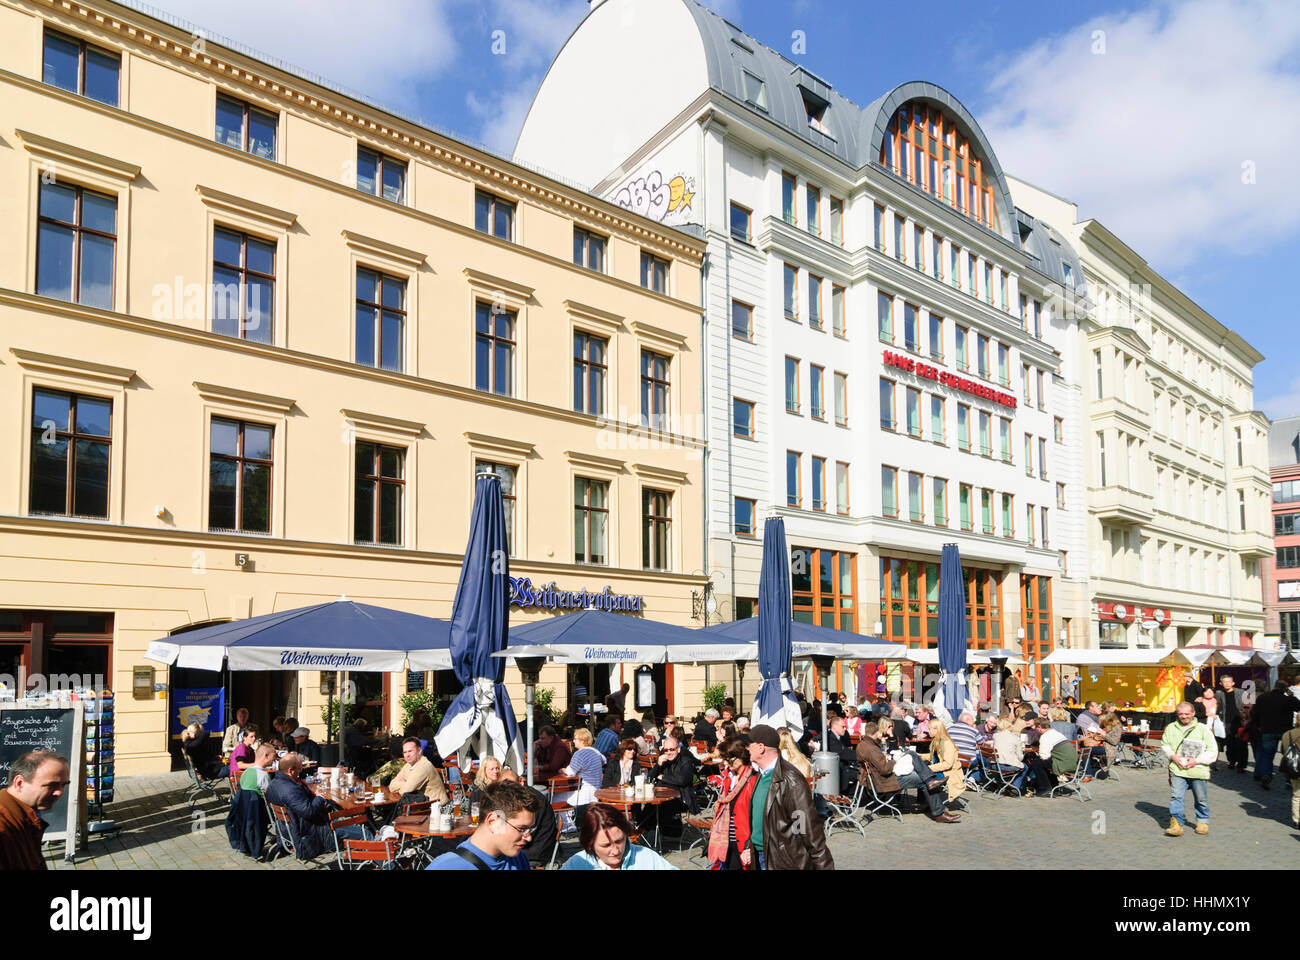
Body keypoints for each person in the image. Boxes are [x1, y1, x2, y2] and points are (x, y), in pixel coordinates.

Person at [745, 725, 834, 869]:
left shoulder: (790, 779)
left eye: (749, 745)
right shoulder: (762, 775)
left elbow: (809, 829)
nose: (746, 749)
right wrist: (749, 846)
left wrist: (824, 866)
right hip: (760, 855)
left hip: (781, 860)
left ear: (761, 747)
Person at [265, 754, 365, 859]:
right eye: (299, 769)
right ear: (290, 771)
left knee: (345, 818)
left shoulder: (273, 784)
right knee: (364, 832)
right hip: (311, 833)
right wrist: (320, 798)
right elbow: (309, 811)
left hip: (289, 832)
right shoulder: (290, 790)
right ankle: (379, 860)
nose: (301, 771)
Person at [856, 720, 958, 823]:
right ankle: (939, 813)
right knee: (923, 780)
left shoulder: (863, 745)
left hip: (878, 779)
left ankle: (929, 799)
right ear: (877, 733)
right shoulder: (871, 748)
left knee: (913, 757)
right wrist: (893, 761)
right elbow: (885, 769)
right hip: (884, 781)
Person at [426, 780, 541, 870]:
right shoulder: (448, 866)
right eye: (521, 829)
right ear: (493, 822)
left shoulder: (518, 858)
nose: (529, 837)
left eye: (530, 830)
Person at [0, 750, 70, 870]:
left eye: (63, 785)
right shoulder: (5, 824)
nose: (59, 792)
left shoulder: (24, 817)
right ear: (20, 783)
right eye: (51, 785)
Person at [560, 803, 676, 870]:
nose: (616, 851)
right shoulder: (575, 865)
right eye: (606, 845)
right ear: (590, 844)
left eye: (619, 840)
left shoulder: (647, 858)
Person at [1161, 701, 1217, 837]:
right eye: (1180, 714)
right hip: (1177, 769)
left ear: (1193, 713)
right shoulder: (1170, 728)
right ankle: (1176, 824)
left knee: (1201, 798)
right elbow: (1165, 744)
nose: (1184, 716)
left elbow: (1212, 750)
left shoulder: (1203, 729)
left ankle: (1202, 821)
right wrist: (1173, 757)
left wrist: (1196, 761)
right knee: (1176, 797)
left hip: (1197, 770)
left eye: (1187, 713)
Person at [708, 738, 757, 870]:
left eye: (728, 758)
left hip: (742, 839)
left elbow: (755, 815)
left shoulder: (753, 779)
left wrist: (750, 845)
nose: (725, 762)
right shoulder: (728, 778)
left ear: (740, 757)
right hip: (726, 839)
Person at [647, 735, 699, 836]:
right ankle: (645, 836)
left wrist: (663, 777)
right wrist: (658, 765)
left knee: (659, 809)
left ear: (678, 749)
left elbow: (682, 780)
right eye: (666, 750)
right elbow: (649, 778)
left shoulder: (686, 761)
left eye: (672, 749)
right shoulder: (663, 760)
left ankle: (650, 840)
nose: (669, 752)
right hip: (662, 796)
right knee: (649, 807)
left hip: (682, 798)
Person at [1252, 681, 1300, 789]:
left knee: (1267, 755)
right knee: (1288, 754)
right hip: (1285, 731)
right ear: (1286, 689)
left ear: (1274, 686)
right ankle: (1289, 778)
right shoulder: (1288, 699)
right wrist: (1291, 696)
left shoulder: (1263, 698)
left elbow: (1254, 713)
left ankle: (1266, 775)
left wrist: (1258, 725)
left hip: (1267, 729)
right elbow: (1298, 707)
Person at [560, 727, 606, 823]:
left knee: (555, 797)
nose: (573, 741)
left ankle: (566, 825)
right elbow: (604, 760)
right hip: (596, 790)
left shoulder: (580, 754)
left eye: (575, 739)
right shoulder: (596, 752)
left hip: (583, 791)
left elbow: (570, 772)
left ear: (582, 740)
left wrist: (561, 769)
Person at [389, 736, 448, 803]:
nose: (407, 755)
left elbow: (405, 790)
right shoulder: (408, 765)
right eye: (405, 752)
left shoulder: (424, 765)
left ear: (419, 751)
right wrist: (407, 783)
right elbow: (391, 786)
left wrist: (404, 783)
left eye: (410, 751)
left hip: (436, 807)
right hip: (422, 805)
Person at [926, 719, 967, 807]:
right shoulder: (936, 741)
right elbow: (932, 756)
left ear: (936, 729)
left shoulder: (947, 743)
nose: (928, 731)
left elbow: (947, 764)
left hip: (948, 773)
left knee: (923, 776)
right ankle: (928, 803)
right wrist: (918, 756)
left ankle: (932, 804)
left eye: (929, 729)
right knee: (921, 773)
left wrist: (929, 768)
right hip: (940, 770)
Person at [1215, 676, 1247, 772]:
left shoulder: (1240, 692)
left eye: (1229, 682)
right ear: (1221, 683)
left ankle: (1241, 764)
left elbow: (1247, 705)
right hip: (1227, 722)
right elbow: (1217, 705)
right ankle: (1232, 761)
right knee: (1230, 743)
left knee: (1241, 744)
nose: (1227, 684)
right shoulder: (1219, 693)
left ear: (1233, 683)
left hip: (1240, 721)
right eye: (1225, 682)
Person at [824, 715, 858, 790]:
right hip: (836, 771)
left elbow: (846, 750)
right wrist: (860, 754)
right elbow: (843, 753)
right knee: (861, 776)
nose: (845, 729)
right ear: (835, 727)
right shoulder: (829, 738)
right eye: (843, 727)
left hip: (842, 767)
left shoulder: (841, 736)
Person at [1280, 718, 1300, 829]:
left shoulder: (1287, 734)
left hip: (1293, 768)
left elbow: (1283, 750)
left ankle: (1296, 820)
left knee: (1297, 795)